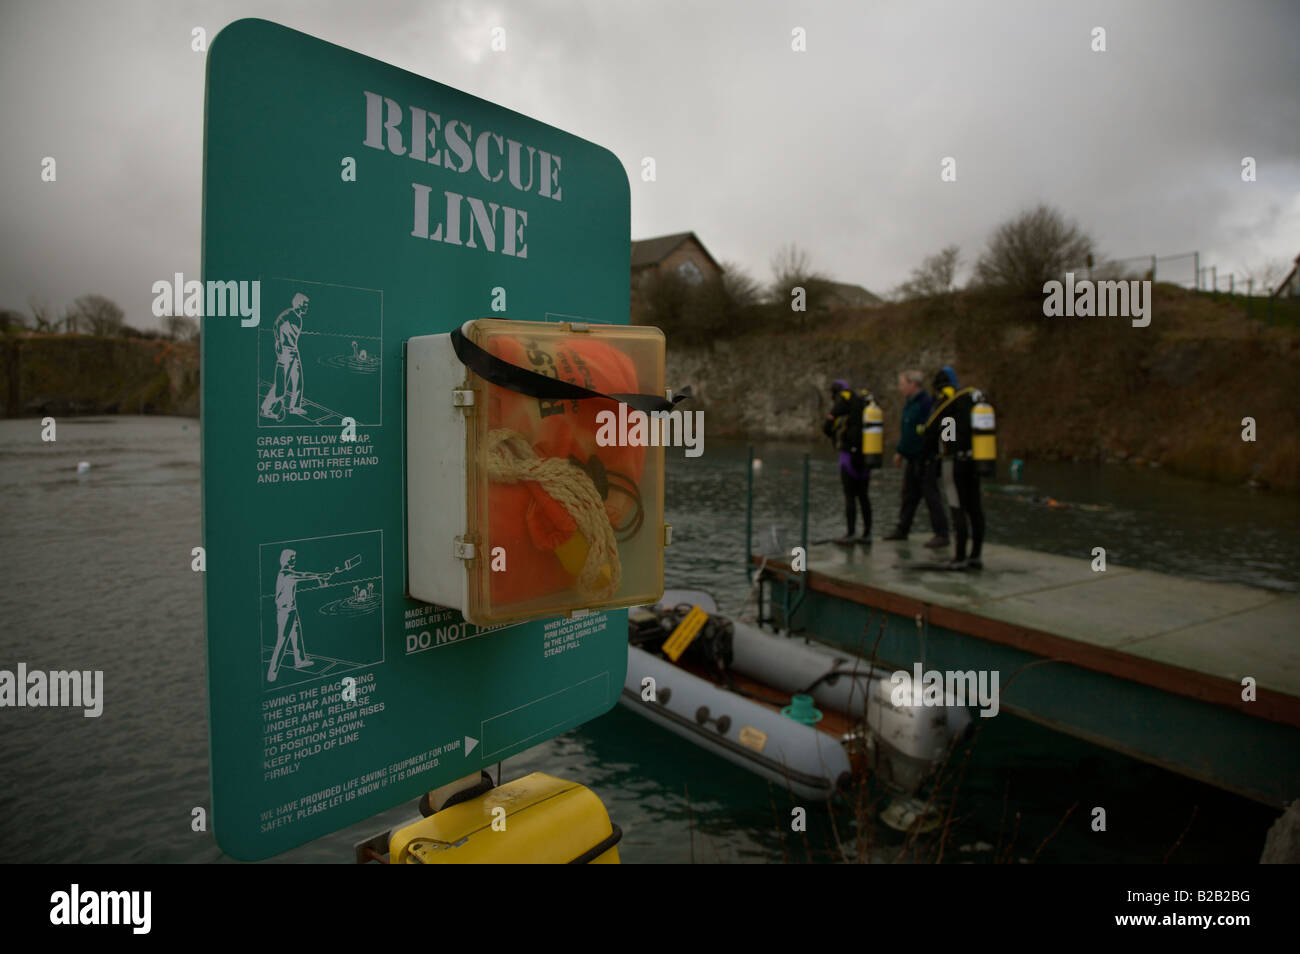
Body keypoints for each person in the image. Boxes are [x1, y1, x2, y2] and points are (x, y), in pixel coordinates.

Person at [921, 366, 986, 570]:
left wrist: (929, 448)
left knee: (957, 508)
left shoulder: (950, 398)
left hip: (954, 463)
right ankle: (975, 555)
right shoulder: (973, 398)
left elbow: (932, 426)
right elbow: (950, 428)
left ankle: (959, 557)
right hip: (976, 459)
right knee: (975, 508)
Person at [882, 369, 949, 548]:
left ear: (913, 384)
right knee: (909, 495)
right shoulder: (909, 403)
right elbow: (907, 432)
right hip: (912, 457)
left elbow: (927, 431)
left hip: (926, 457)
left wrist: (928, 453)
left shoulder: (926, 403)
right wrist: (900, 452)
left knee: (931, 495)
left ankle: (942, 533)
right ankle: (903, 529)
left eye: (902, 384)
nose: (899, 388)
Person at [267, 548, 331, 682]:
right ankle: (272, 673)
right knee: (282, 642)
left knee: (296, 634)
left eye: (294, 557)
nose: (294, 560)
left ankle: (300, 660)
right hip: (285, 612)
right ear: (284, 559)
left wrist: (320, 576)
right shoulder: (286, 574)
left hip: (291, 610)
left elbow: (303, 575)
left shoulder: (289, 573)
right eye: (291, 557)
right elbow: (303, 576)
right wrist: (320, 575)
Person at [822, 378, 872, 545]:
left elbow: (827, 427)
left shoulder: (842, 403)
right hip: (866, 455)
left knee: (850, 495)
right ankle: (867, 533)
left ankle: (850, 533)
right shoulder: (863, 402)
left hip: (848, 456)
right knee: (864, 495)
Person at [260, 293, 310, 420]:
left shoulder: (299, 318)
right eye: (305, 304)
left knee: (298, 381)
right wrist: (278, 341)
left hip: (294, 351)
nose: (307, 307)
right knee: (281, 387)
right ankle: (266, 409)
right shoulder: (289, 314)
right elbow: (276, 324)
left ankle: (294, 407)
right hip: (285, 352)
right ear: (299, 304)